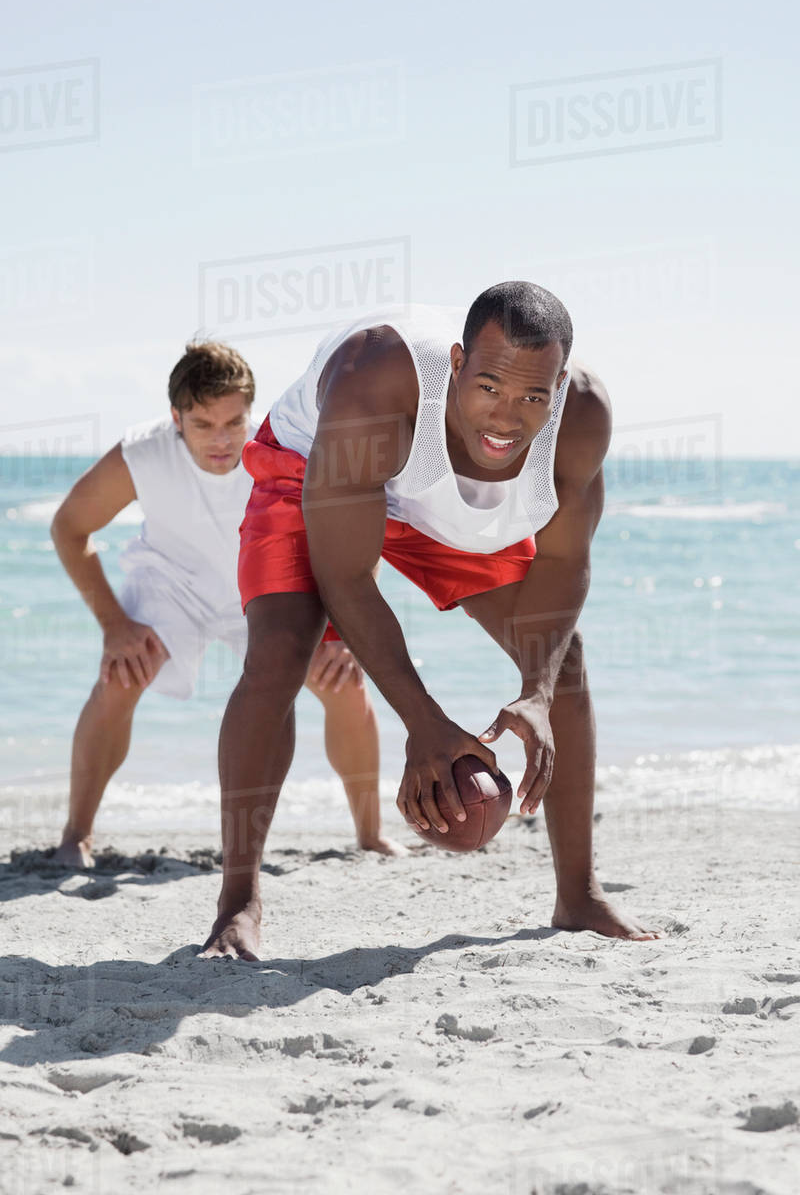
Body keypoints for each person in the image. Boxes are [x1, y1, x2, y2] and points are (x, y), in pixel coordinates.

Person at [200, 284, 661, 960]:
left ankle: (579, 896)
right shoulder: (374, 379)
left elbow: (564, 566)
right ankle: (237, 903)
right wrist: (424, 724)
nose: (506, 417)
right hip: (317, 468)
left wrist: (534, 692)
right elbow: (345, 576)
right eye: (489, 388)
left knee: (562, 661)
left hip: (422, 500)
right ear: (454, 361)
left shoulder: (583, 416)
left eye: (533, 397)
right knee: (280, 652)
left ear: (559, 387)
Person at [50, 340, 401, 869]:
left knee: (343, 682)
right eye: (203, 425)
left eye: (234, 423)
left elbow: (357, 525)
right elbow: (69, 527)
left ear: (251, 411)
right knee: (121, 675)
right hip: (174, 586)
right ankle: (75, 835)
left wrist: (343, 632)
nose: (222, 440)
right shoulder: (143, 453)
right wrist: (114, 624)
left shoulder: (285, 446)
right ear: (176, 418)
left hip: (266, 585)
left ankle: (371, 835)